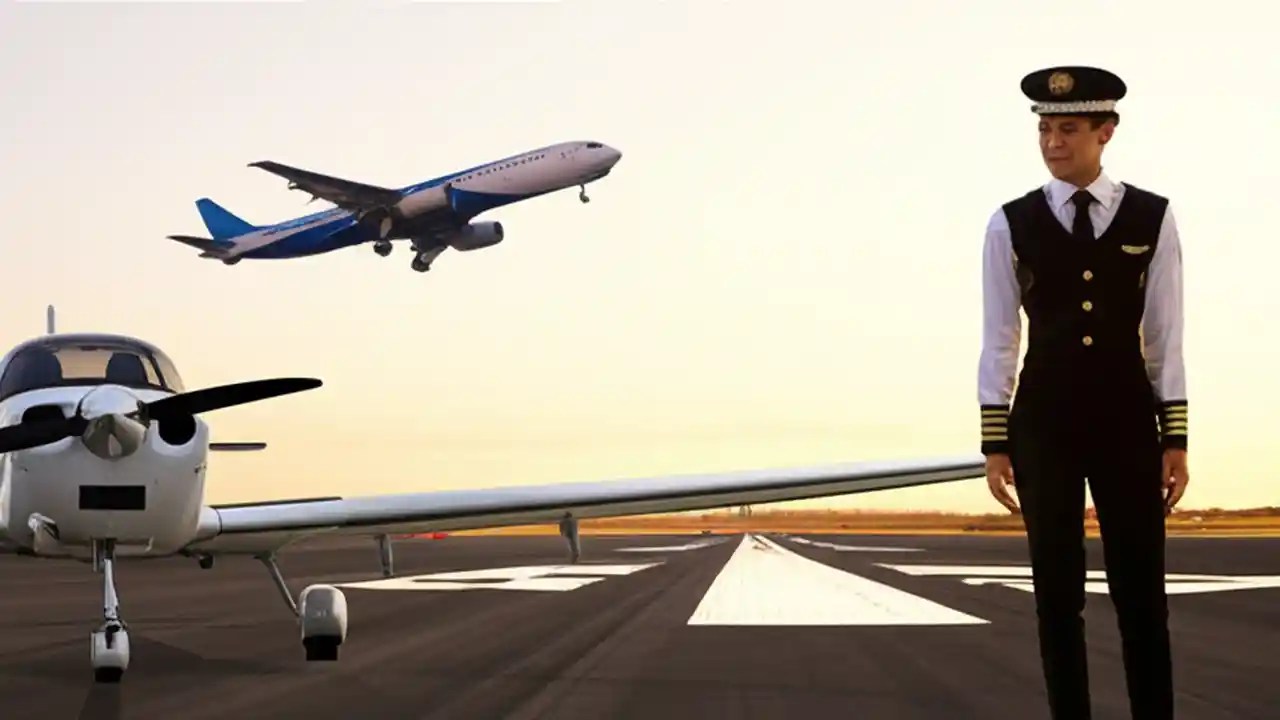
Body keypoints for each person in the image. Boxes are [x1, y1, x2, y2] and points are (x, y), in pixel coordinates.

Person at [976, 65, 1190, 719]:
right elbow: (1000, 337)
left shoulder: (1153, 217)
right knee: (1056, 594)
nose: (1053, 143)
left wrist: (1175, 437)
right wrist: (995, 441)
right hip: (1044, 425)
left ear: (1106, 131)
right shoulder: (1009, 223)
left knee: (1141, 592)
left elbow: (1164, 335)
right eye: (1045, 129)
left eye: (1068, 129)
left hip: (1126, 421)